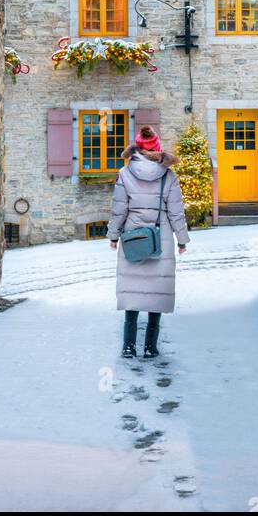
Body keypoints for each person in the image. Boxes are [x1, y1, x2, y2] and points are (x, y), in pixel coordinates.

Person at [108, 125, 189, 358]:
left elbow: (118, 210)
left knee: (133, 293)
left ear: (137, 148)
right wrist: (182, 240)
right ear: (157, 148)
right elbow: (176, 213)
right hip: (160, 239)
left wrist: (114, 236)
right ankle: (151, 347)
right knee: (156, 294)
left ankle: (128, 346)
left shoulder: (125, 174)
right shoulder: (168, 176)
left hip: (133, 238)